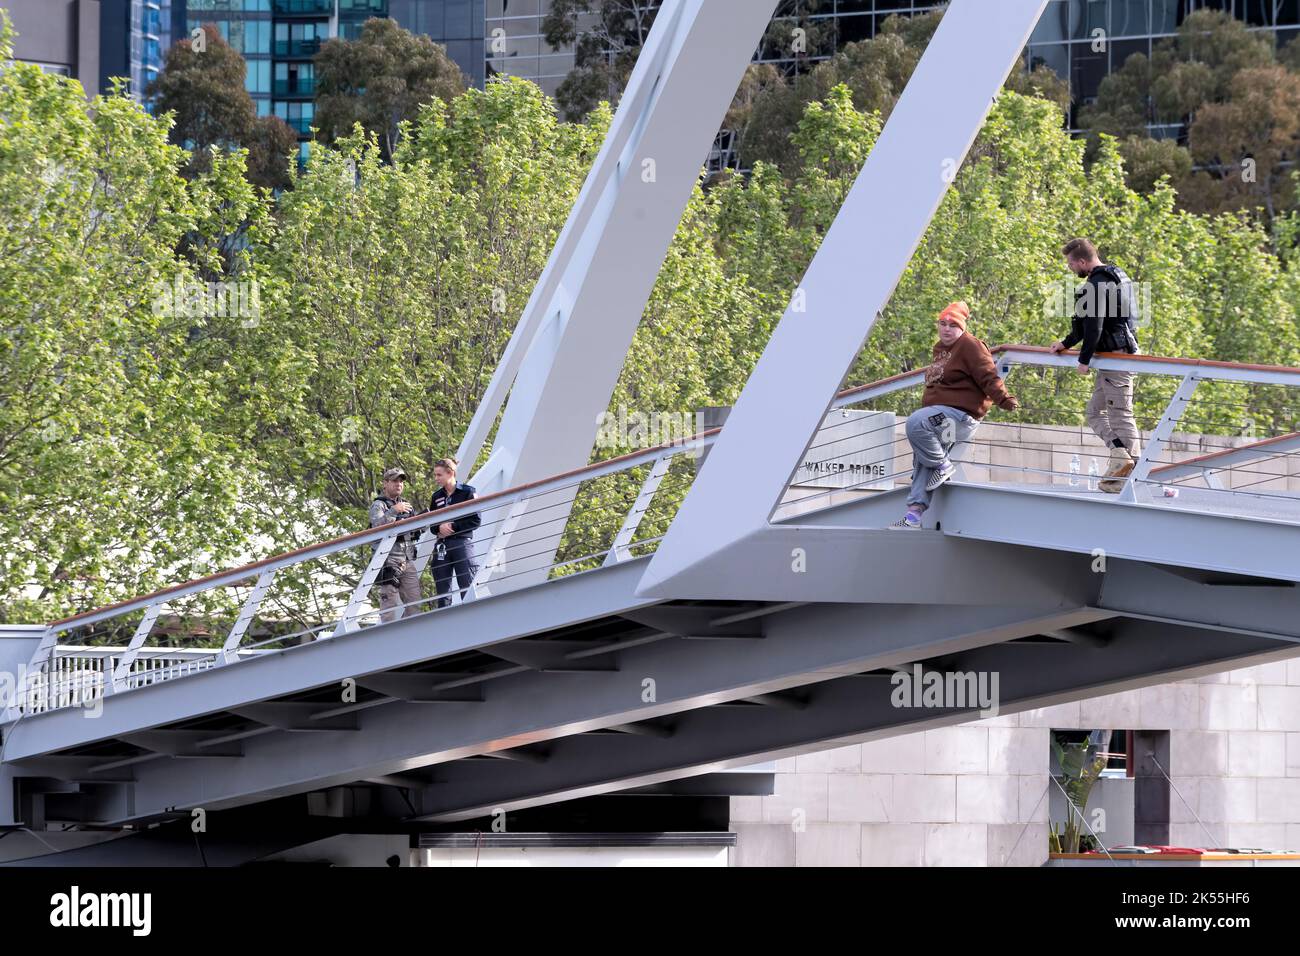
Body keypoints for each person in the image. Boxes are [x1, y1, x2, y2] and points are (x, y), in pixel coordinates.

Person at [891, 302, 1019, 530]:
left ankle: (942, 466)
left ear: (962, 328)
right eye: (942, 323)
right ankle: (914, 514)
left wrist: (1004, 399)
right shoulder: (940, 349)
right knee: (923, 455)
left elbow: (988, 376)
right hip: (940, 417)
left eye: (953, 325)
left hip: (959, 417)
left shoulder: (971, 345)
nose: (946, 329)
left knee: (915, 423)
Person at [1049, 237, 1142, 493]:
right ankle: (1120, 456)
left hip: (1117, 358)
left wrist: (1084, 359)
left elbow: (1095, 325)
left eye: (1070, 264)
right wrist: (1066, 343)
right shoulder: (1114, 275)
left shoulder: (1098, 283)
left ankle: (1131, 478)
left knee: (1122, 415)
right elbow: (1086, 323)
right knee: (1094, 411)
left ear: (1081, 261)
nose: (1070, 269)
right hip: (1114, 356)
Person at [369, 467, 422, 623]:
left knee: (415, 601)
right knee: (389, 605)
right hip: (388, 561)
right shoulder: (379, 505)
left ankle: (409, 634)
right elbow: (376, 527)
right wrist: (393, 511)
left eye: (401, 481)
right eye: (394, 481)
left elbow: (417, 528)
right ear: (385, 483)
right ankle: (387, 640)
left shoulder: (406, 505)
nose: (399, 484)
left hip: (407, 558)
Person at [429, 457, 481, 608]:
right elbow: (431, 524)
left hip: (462, 543)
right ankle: (444, 624)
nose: (436, 478)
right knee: (442, 590)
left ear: (450, 473)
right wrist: (439, 528)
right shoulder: (436, 496)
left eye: (439, 475)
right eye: (435, 475)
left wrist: (452, 527)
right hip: (442, 546)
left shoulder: (468, 492)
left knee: (467, 585)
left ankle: (473, 620)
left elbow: (475, 520)